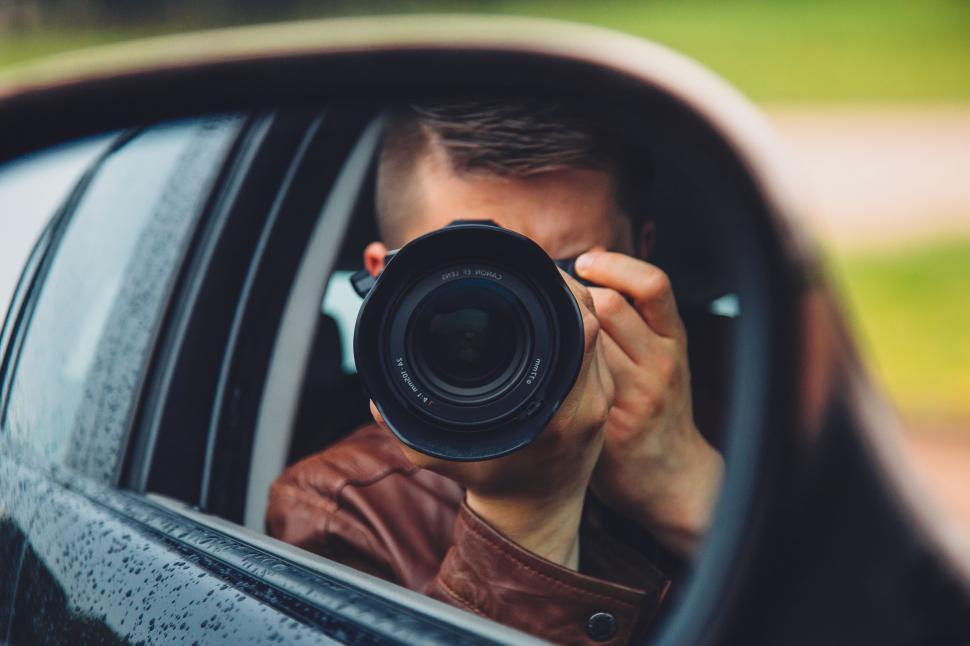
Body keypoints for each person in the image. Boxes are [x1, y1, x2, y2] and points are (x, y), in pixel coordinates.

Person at [266, 100, 724, 644]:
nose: (518, 320)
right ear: (381, 279)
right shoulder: (343, 510)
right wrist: (526, 515)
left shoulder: (754, 404)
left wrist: (685, 486)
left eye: (568, 275)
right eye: (466, 280)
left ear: (641, 257)